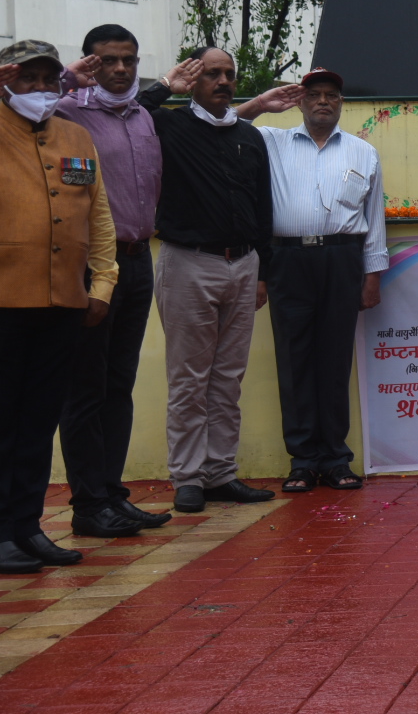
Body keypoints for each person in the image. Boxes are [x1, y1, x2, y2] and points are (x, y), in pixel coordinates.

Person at [0, 42, 117, 574]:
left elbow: (99, 217)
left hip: (61, 304)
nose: (41, 89)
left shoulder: (77, 135)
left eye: (49, 78)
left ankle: (26, 527)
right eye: (28, 78)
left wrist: (103, 284)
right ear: (6, 82)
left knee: (39, 425)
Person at [235, 69, 388, 493]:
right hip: (287, 258)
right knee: (294, 358)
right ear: (300, 102)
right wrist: (261, 103)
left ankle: (336, 459)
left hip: (342, 258)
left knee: (335, 360)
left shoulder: (363, 152)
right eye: (314, 95)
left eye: (331, 95)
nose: (323, 101)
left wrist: (372, 275)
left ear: (341, 103)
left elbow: (373, 220)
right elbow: (225, 126)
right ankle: (302, 460)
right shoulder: (272, 142)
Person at [137, 51, 276, 514]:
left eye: (229, 75)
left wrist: (264, 275)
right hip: (189, 264)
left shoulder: (249, 137)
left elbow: (263, 210)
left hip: (244, 266)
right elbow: (129, 113)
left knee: (228, 378)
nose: (222, 81)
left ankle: (220, 473)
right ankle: (189, 477)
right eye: (211, 73)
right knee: (189, 378)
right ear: (194, 80)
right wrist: (166, 85)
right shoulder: (168, 126)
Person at [54, 26, 168, 538]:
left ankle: (112, 494)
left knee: (119, 384)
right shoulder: (67, 111)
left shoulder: (143, 115)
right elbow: (19, 106)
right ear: (90, 63)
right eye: (108, 62)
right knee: (85, 388)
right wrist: (65, 79)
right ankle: (88, 504)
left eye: (128, 60)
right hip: (91, 267)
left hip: (138, 260)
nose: (120, 70)